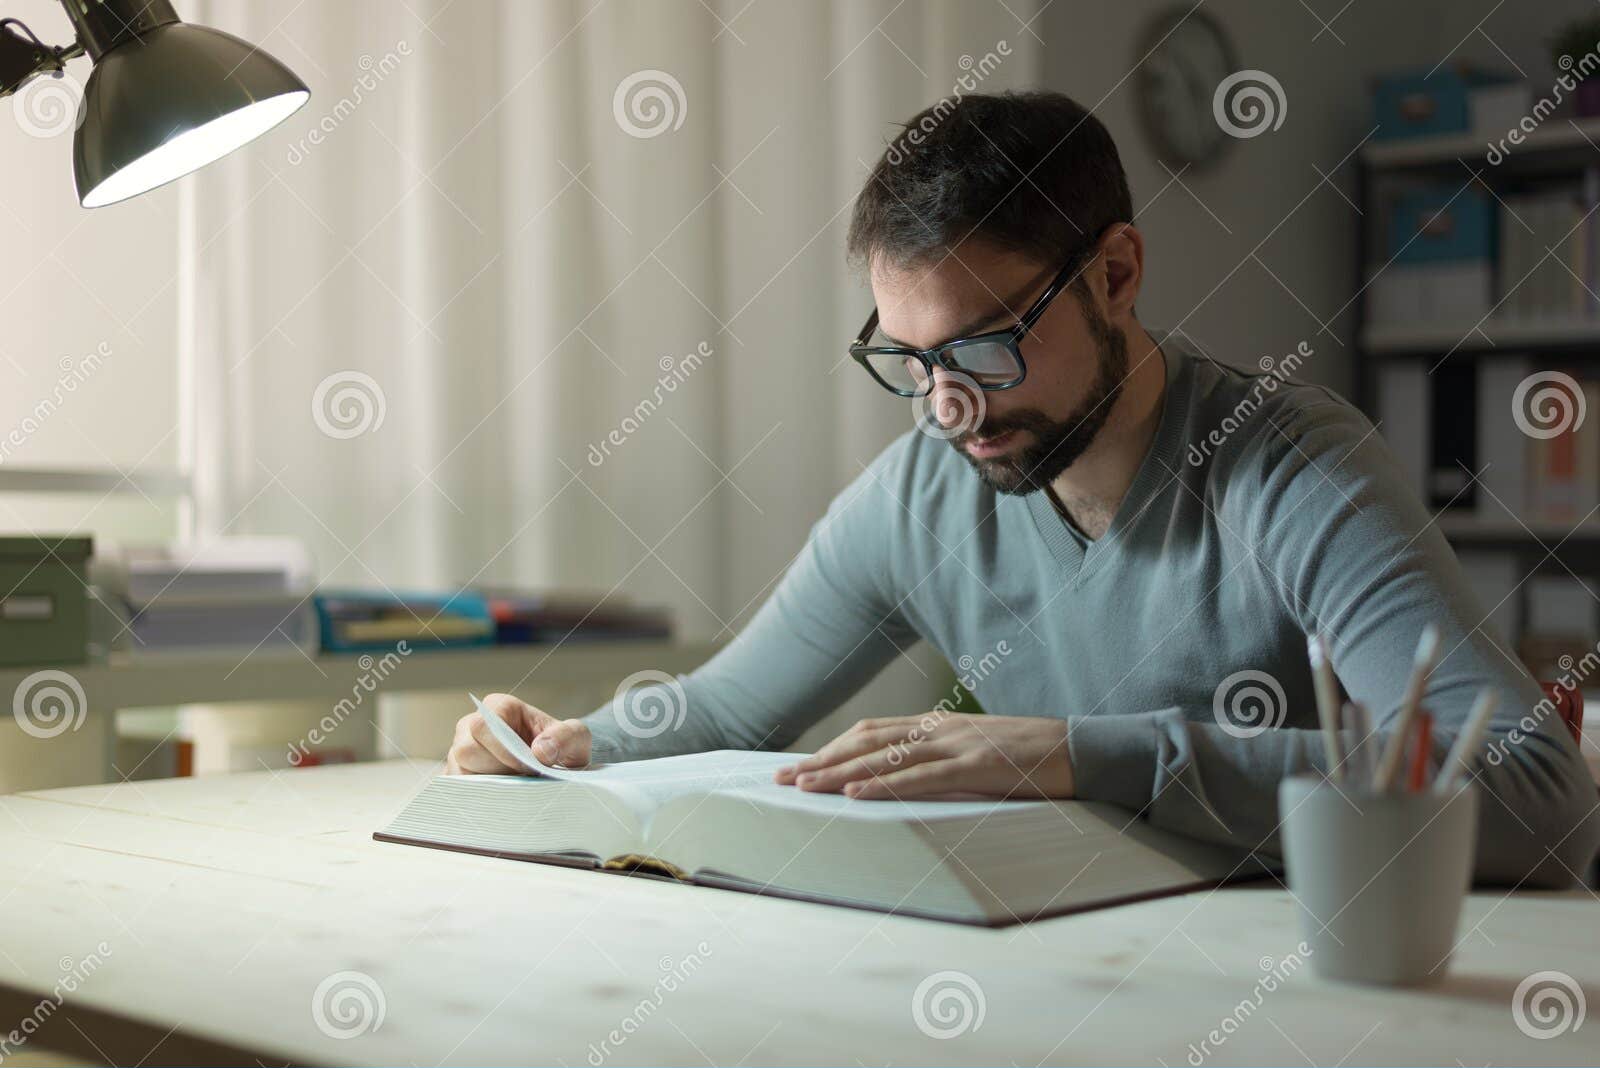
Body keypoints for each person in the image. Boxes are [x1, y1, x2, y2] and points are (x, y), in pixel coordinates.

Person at [448, 90, 1599, 885]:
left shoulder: (1287, 460)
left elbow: (1536, 796)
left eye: (985, 346)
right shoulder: (920, 494)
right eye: (910, 358)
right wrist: (565, 743)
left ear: (1115, 272)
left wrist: (1077, 752)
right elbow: (732, 712)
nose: (948, 404)